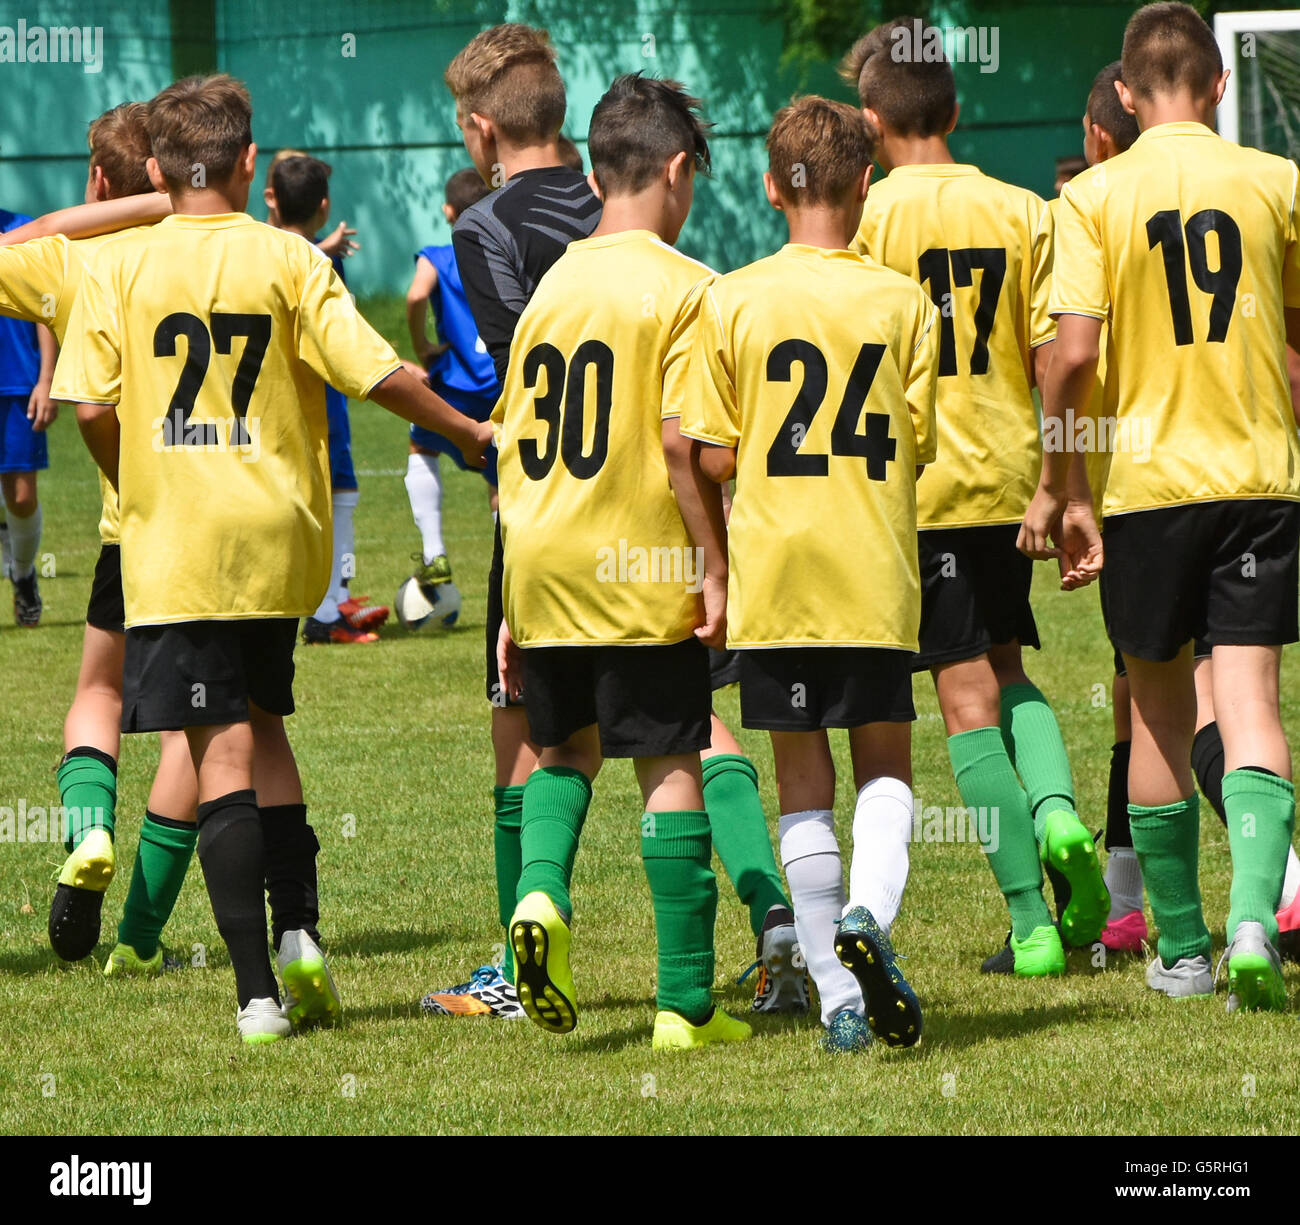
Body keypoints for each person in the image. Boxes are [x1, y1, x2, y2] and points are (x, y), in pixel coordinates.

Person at [52, 73, 493, 1042]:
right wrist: (467, 432)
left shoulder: (116, 268)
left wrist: (134, 481)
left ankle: (255, 994)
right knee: (264, 723)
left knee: (220, 755)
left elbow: (88, 405)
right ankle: (298, 932)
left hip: (175, 546)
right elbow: (375, 369)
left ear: (160, 168)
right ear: (250, 163)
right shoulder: (286, 258)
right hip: (276, 542)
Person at [1026, 2, 1300, 1009]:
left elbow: (1074, 357)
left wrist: (1061, 483)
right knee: (1253, 705)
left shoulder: (1093, 196)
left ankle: (1181, 952)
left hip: (1147, 487)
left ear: (1129, 96)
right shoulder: (1276, 182)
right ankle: (1250, 926)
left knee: (1153, 716)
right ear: (1220, 83)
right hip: (1261, 478)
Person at [843, 19, 1108, 978]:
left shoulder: (864, 223)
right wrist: (1065, 489)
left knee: (962, 703)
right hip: (1009, 480)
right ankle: (1060, 814)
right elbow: (1054, 363)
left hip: (920, 488)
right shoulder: (1025, 210)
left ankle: (1033, 919)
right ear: (956, 109)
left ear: (870, 123)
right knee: (1010, 665)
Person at [494, 73, 750, 1050]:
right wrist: (714, 565)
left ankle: (538, 899)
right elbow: (689, 448)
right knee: (670, 758)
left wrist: (516, 595)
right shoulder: (691, 290)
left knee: (564, 752)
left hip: (547, 558)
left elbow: (514, 449)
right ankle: (684, 1003)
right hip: (638, 559)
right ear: (678, 171)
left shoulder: (552, 285)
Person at [683, 96, 938, 1051]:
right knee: (884, 761)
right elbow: (923, 441)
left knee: (801, 778)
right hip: (870, 565)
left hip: (776, 571)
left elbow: (705, 451)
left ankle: (836, 995)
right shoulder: (900, 301)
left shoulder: (732, 297)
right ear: (865, 185)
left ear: (767, 185)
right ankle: (868, 913)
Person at [419, 23, 601, 1019]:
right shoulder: (625, 201)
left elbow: (521, 382)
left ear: (485, 128)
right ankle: (778, 936)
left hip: (546, 502)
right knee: (690, 728)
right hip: (654, 508)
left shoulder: (486, 226)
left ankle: (514, 966)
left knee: (521, 727)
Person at [0, 102, 203, 974]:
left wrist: (110, 212)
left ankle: (89, 830)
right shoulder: (215, 246)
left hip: (133, 527)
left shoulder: (76, 263)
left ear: (100, 180)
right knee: (201, 732)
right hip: (222, 527)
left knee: (98, 688)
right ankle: (141, 938)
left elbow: (19, 244)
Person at [265, 152, 389, 644]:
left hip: (277, 404)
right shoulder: (312, 260)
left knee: (325, 495)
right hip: (318, 402)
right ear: (324, 206)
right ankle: (325, 611)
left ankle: (332, 595)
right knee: (340, 492)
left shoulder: (260, 245)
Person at [403, 166, 500, 594]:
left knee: (421, 443)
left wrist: (421, 344)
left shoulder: (439, 256)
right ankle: (508, 562)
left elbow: (416, 294)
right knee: (499, 477)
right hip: (499, 386)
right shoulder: (500, 254)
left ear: (447, 210)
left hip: (455, 388)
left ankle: (434, 554)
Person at [0, 207, 55, 627]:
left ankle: (22, 573)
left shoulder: (24, 230)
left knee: (20, 496)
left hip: (18, 382)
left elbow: (45, 310)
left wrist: (46, 379)